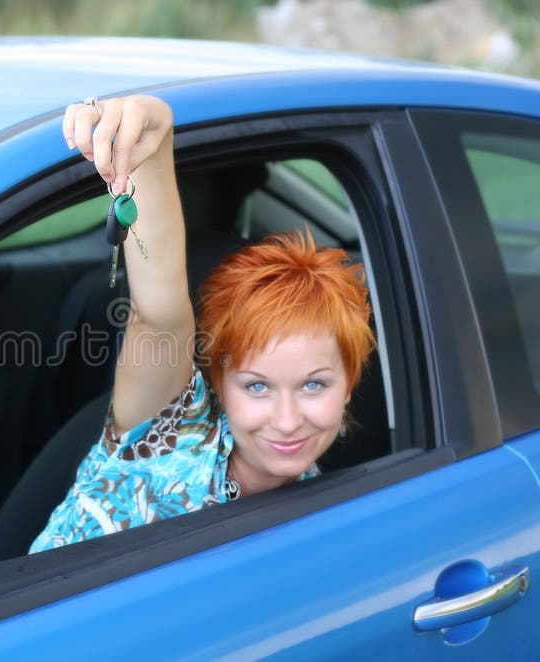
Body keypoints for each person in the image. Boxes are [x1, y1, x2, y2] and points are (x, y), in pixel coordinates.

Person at [29, 96, 375, 553]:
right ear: (219, 380)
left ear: (349, 383)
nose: (288, 421)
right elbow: (157, 314)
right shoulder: (171, 434)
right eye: (257, 386)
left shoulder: (324, 513)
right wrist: (153, 138)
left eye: (314, 385)